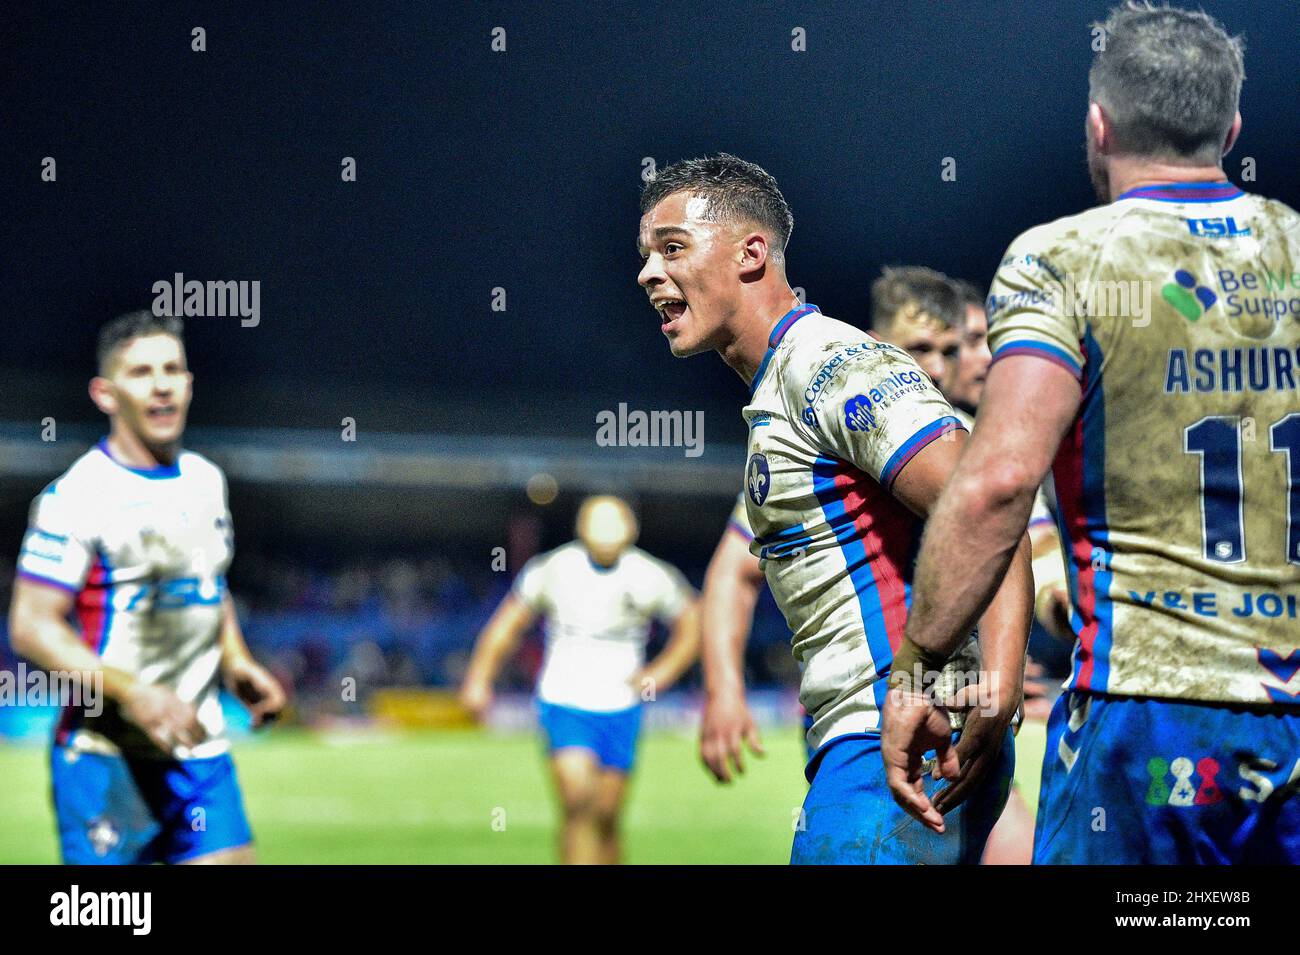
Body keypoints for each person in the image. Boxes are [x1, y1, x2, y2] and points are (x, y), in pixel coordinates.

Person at [883, 2, 1300, 863]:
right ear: (1231, 126)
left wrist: (921, 664)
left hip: (1150, 711)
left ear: (1098, 124)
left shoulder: (1064, 260)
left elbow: (1000, 481)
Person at [638, 153, 1033, 863]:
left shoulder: (830, 365)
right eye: (646, 254)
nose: (648, 273)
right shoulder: (779, 390)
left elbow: (988, 504)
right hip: (875, 741)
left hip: (888, 745)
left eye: (672, 248)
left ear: (752, 252)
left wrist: (995, 686)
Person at [8, 310, 285, 864]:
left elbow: (209, 586)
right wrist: (133, 693)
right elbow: (32, 625)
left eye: (172, 369)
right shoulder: (76, 498)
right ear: (105, 393)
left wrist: (236, 662)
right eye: (140, 373)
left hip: (198, 752)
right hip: (104, 757)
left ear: (188, 383)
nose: (161, 384)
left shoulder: (207, 481)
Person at [459, 495, 700, 864]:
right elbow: (506, 626)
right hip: (564, 700)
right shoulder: (553, 569)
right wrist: (479, 679)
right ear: (581, 526)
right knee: (576, 801)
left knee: (606, 816)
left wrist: (661, 672)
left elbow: (692, 623)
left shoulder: (650, 575)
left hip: (621, 706)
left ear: (631, 528)